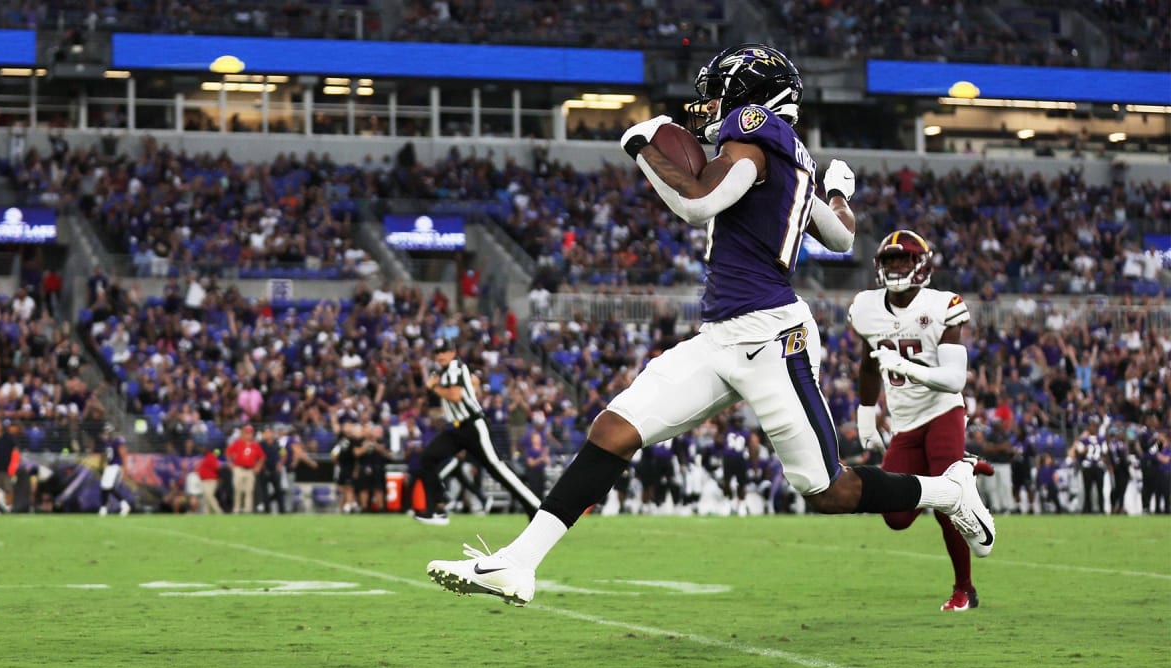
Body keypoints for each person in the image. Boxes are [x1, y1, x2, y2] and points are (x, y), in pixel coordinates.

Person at [426, 43, 995, 607]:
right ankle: (518, 563)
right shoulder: (788, 153)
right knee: (613, 430)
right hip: (721, 335)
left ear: (753, 96)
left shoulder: (756, 129)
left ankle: (948, 489)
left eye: (722, 90)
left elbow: (697, 201)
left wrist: (644, 146)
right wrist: (839, 190)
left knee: (829, 489)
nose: (710, 103)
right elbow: (841, 235)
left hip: (771, 337)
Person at [849, 230, 983, 612]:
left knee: (947, 507)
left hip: (943, 412)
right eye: (889, 260)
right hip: (905, 422)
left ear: (920, 265)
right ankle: (961, 467)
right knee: (895, 515)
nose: (895, 267)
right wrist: (866, 413)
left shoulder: (943, 305)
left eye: (904, 259)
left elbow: (955, 379)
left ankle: (965, 590)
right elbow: (867, 364)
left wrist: (906, 365)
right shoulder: (866, 307)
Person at [416, 337, 541, 525]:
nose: (440, 355)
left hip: (472, 426)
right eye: (437, 352)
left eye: (444, 351)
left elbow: (456, 396)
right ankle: (437, 509)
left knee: (497, 469)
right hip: (455, 428)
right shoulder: (444, 372)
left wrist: (434, 386)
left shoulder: (455, 368)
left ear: (453, 352)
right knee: (428, 457)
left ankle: (536, 508)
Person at [226, 424, 264, 514]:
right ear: (243, 434)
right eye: (246, 433)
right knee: (237, 490)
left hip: (250, 470)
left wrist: (258, 466)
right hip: (239, 468)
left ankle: (248, 510)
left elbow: (262, 457)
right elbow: (228, 452)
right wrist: (230, 464)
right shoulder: (238, 443)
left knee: (249, 491)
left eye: (250, 433)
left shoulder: (255, 445)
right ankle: (236, 509)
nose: (248, 435)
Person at [97, 424, 131, 516]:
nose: (106, 434)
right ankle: (103, 508)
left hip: (116, 465)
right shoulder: (106, 442)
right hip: (109, 466)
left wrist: (125, 469)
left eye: (107, 432)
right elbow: (104, 455)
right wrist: (101, 466)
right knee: (104, 486)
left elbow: (123, 455)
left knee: (108, 486)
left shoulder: (117, 442)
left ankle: (124, 504)